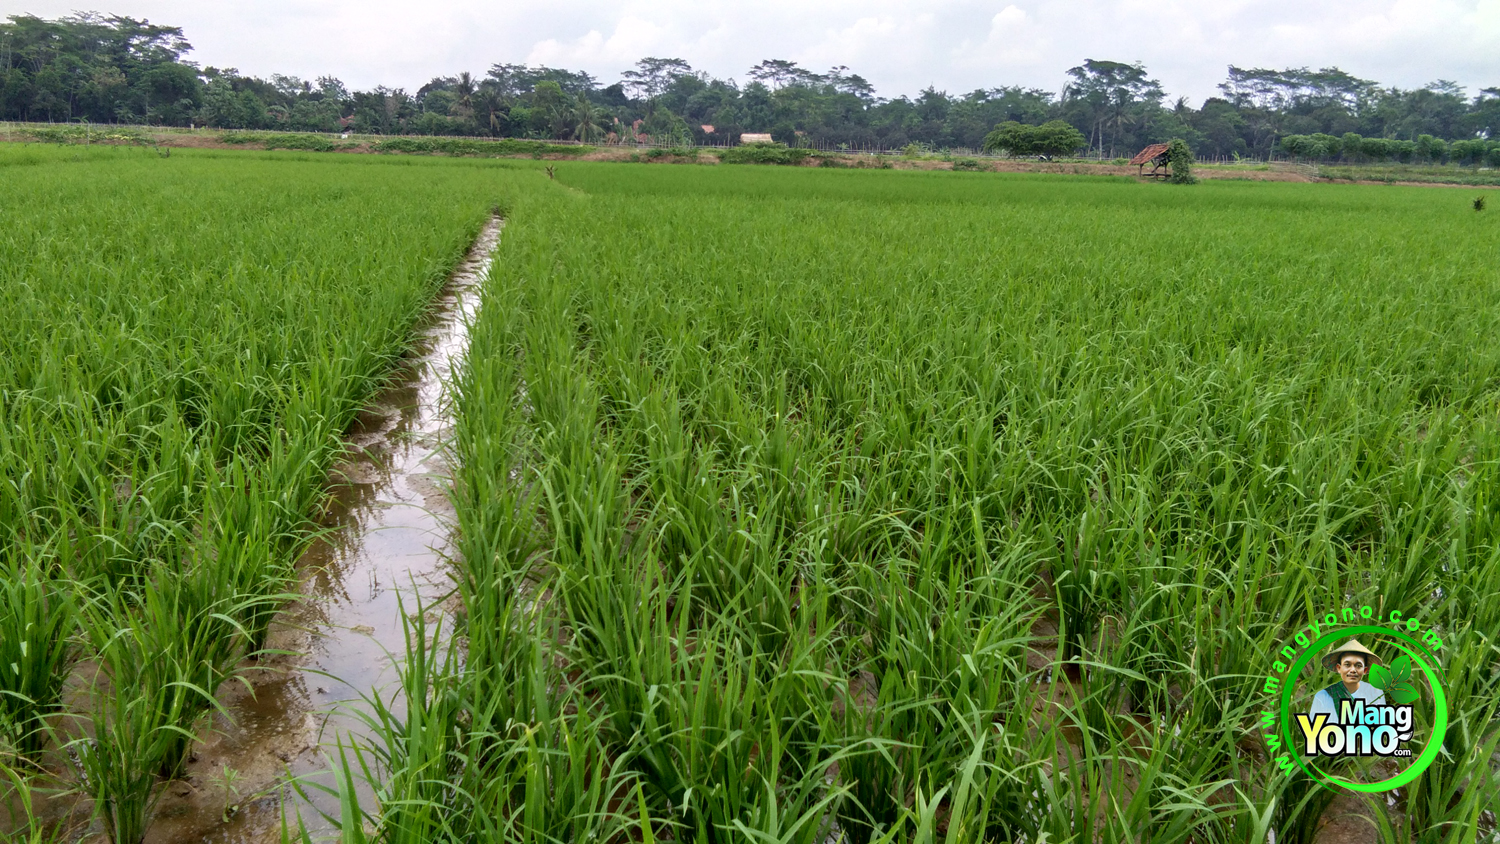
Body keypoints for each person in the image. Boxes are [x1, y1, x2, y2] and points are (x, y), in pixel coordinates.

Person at [1308, 638, 1385, 724]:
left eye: (1358, 666)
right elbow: (1314, 732)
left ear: (1365, 670)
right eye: (1347, 665)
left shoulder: (1375, 693)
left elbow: (1380, 726)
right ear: (1339, 668)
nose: (1352, 670)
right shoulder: (1323, 696)